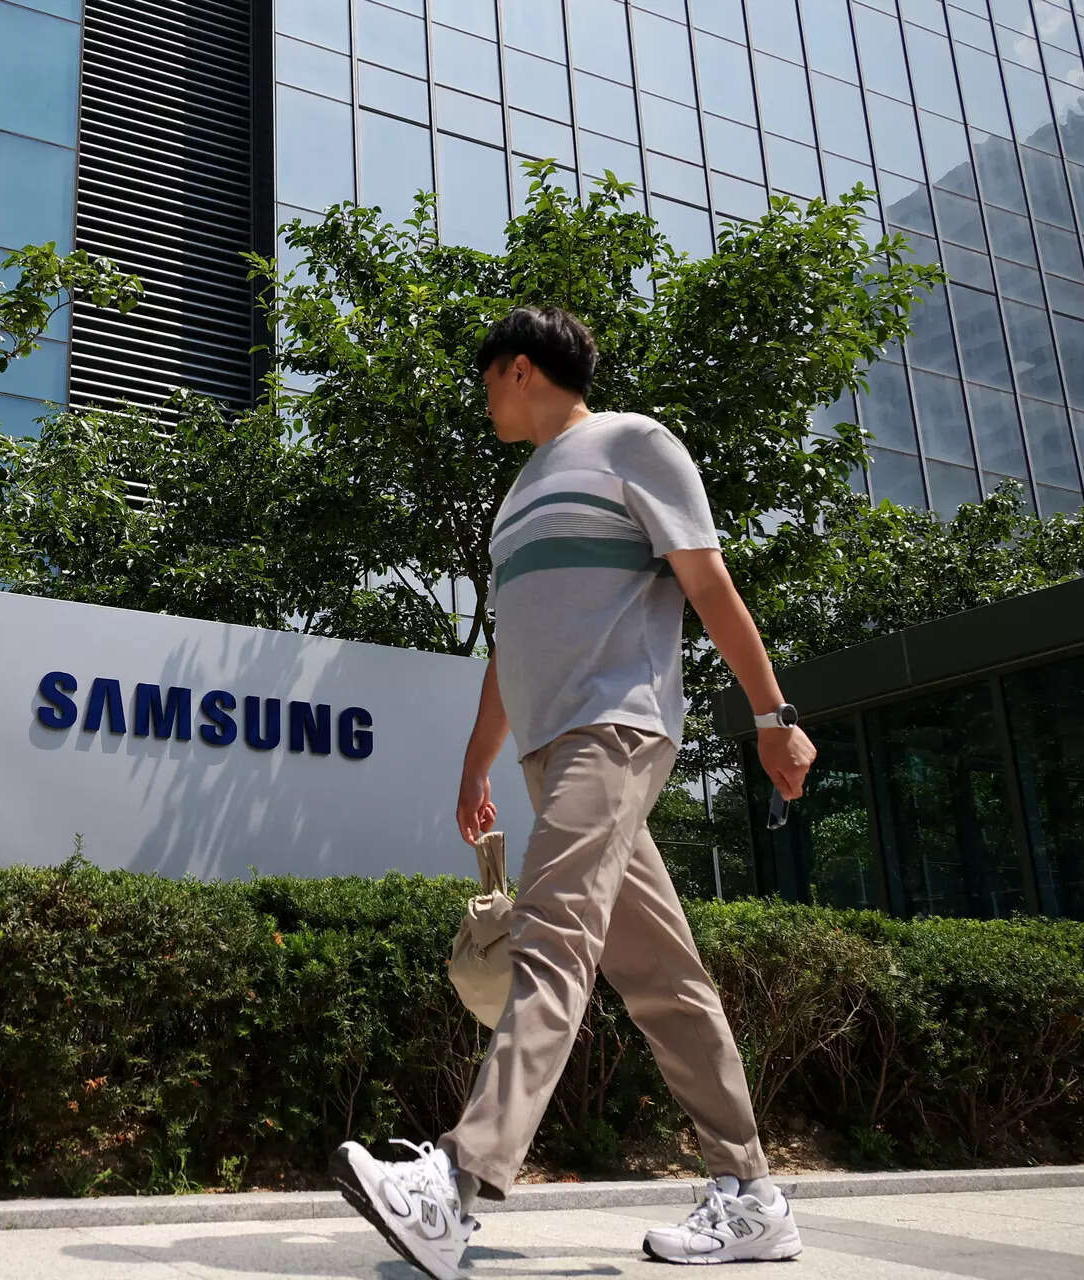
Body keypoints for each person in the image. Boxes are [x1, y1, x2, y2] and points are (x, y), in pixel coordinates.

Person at [331, 306, 818, 1276]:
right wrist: (477, 762)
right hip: (552, 751)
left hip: (619, 726)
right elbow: (512, 643)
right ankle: (753, 1191)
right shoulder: (517, 499)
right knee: (663, 976)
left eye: (486, 384)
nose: (484, 403)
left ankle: (456, 1183)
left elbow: (709, 579)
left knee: (552, 935)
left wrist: (773, 713)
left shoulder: (632, 444)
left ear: (519, 370)